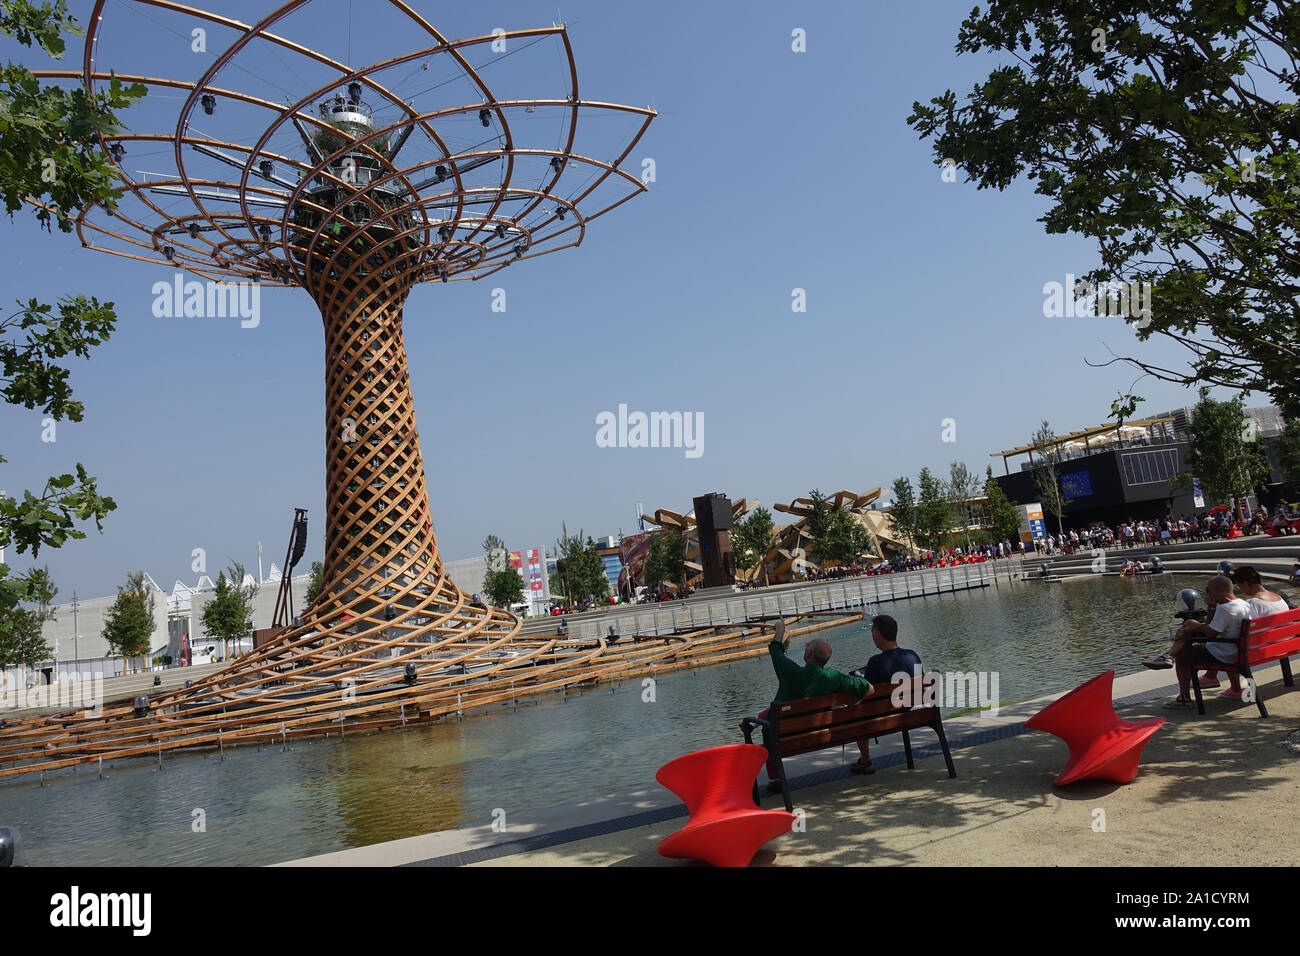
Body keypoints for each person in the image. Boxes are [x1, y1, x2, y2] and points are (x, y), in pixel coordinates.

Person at [759, 619, 873, 791]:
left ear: (807, 655)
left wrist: (780, 630)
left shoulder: (791, 673)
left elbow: (776, 652)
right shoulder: (833, 677)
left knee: (766, 724)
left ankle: (776, 780)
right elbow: (869, 689)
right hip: (818, 733)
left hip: (784, 738)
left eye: (806, 648)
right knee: (767, 715)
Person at [1144, 575, 1248, 708]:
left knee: (1183, 653)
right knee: (1189, 629)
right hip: (1240, 650)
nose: (1207, 594)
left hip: (1226, 654)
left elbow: (1210, 633)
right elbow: (1213, 629)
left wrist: (1198, 622)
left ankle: (1183, 697)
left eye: (1208, 590)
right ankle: (1169, 655)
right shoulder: (1243, 604)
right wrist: (1205, 615)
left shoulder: (1225, 609)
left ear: (1217, 591)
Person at [847, 614, 922, 775]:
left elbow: (867, 694)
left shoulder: (875, 661)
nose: (872, 636)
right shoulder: (913, 655)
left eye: (873, 632)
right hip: (909, 711)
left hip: (886, 716)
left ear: (879, 635)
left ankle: (865, 761)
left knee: (855, 711)